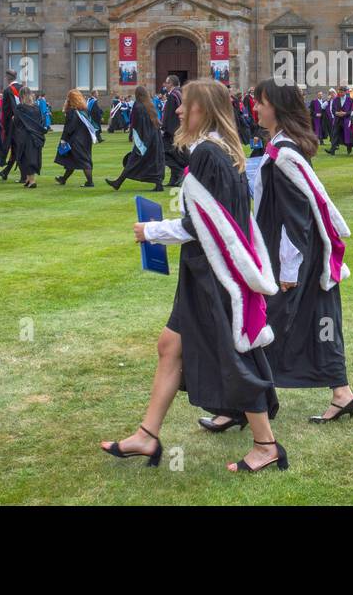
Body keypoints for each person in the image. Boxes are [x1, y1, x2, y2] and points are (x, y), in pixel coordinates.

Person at [108, 78, 285, 474]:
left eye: (185, 105)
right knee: (170, 345)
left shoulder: (207, 153)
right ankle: (147, 435)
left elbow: (203, 226)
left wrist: (150, 231)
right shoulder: (221, 152)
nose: (178, 111)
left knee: (234, 354)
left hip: (213, 275)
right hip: (205, 271)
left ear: (202, 110)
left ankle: (266, 444)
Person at [202, 78, 353, 433]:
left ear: (278, 108)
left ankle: (241, 405)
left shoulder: (285, 155)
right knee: (322, 321)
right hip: (309, 257)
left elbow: (294, 218)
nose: (254, 107)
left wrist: (288, 269)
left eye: (261, 102)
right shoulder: (282, 148)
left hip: (294, 258)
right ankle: (342, 394)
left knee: (257, 325)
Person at [107, 85, 165, 191]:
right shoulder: (150, 105)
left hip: (144, 138)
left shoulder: (138, 106)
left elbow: (136, 124)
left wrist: (133, 136)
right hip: (154, 138)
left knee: (133, 161)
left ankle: (118, 182)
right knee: (154, 160)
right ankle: (158, 184)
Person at [54, 89, 97, 187]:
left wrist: (63, 139)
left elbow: (69, 128)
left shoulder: (73, 112)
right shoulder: (84, 110)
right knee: (71, 160)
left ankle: (90, 182)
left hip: (76, 140)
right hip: (85, 139)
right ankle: (63, 179)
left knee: (83, 160)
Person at [10, 88, 48, 189]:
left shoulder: (20, 108)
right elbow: (41, 121)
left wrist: (14, 119)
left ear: (21, 96)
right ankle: (28, 179)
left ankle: (32, 181)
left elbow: (17, 122)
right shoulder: (36, 107)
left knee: (26, 157)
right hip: (36, 135)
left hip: (25, 136)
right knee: (33, 156)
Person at [160, 75, 185, 187]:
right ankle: (174, 178)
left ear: (171, 84)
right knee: (175, 154)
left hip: (172, 131)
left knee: (163, 153)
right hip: (179, 130)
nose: (165, 85)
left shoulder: (172, 96)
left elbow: (169, 115)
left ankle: (179, 172)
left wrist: (164, 129)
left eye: (167, 82)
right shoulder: (181, 93)